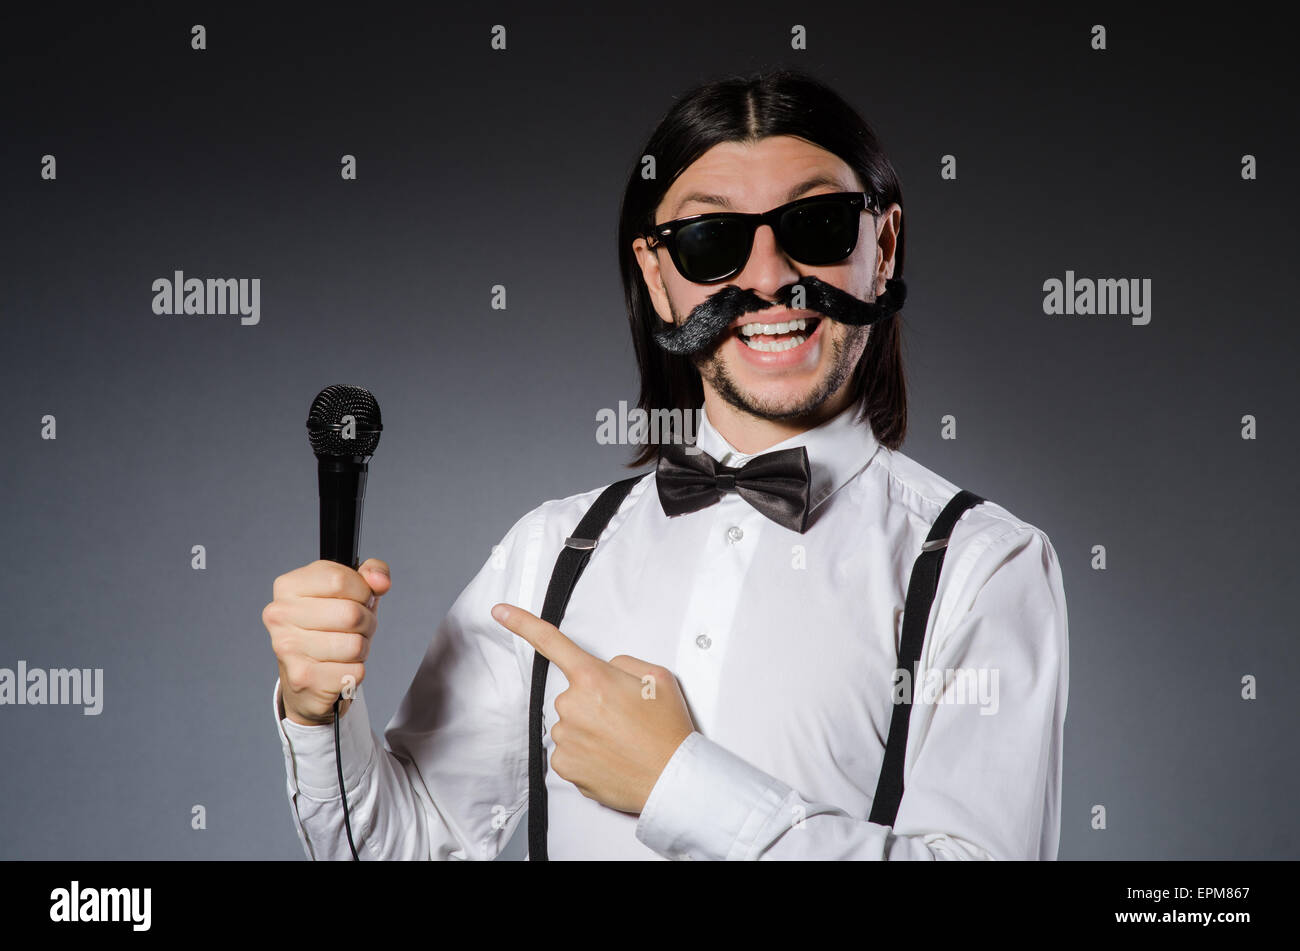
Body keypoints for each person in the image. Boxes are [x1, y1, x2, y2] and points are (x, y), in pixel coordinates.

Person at [263, 67, 1069, 860]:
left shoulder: (982, 566)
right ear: (657, 277)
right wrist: (317, 710)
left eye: (818, 225)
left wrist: (678, 783)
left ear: (883, 246)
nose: (768, 277)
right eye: (712, 241)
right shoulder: (549, 553)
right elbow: (397, 847)